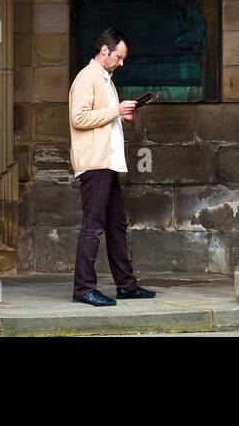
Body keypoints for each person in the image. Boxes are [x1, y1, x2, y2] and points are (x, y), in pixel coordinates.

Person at [69, 27, 155, 306]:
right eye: (119, 57)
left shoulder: (106, 79)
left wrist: (121, 115)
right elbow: (79, 118)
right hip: (95, 163)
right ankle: (83, 289)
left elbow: (101, 117)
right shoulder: (87, 77)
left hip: (108, 162)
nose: (121, 62)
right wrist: (115, 111)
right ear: (104, 51)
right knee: (93, 226)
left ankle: (126, 286)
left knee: (116, 225)